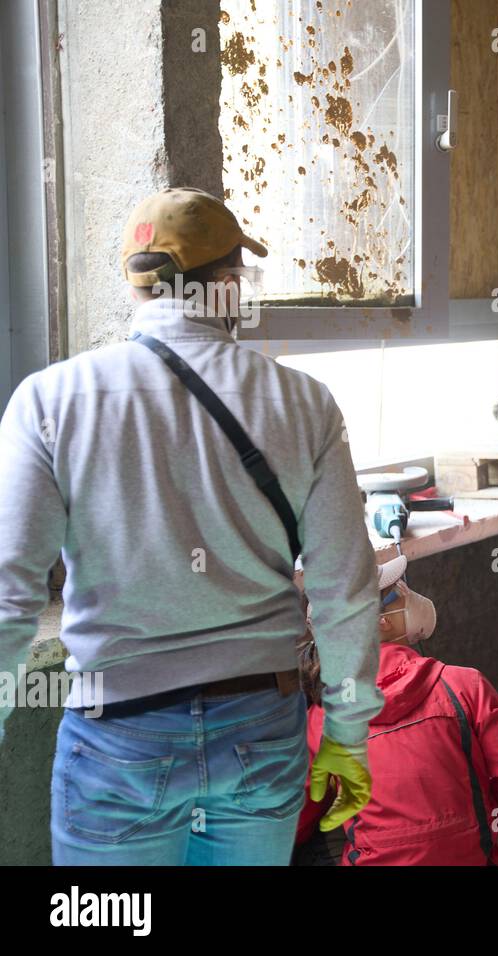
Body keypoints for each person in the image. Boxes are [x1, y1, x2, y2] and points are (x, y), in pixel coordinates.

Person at [0, 187, 381, 865]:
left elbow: (10, 593)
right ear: (229, 286)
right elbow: (345, 589)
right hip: (261, 729)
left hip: (117, 737)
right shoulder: (304, 404)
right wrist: (347, 736)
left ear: (137, 285)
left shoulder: (50, 400)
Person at [295, 554, 498, 865]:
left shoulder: (321, 718)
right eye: (399, 588)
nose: (408, 594)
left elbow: (296, 820)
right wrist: (479, 798)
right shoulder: (463, 686)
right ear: (383, 622)